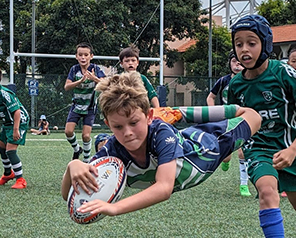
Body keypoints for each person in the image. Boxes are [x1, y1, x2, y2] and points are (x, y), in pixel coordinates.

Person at [62, 72, 261, 227]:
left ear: (149, 116)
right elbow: (70, 197)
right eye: (118, 127)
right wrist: (73, 166)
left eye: (134, 122)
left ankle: (176, 112)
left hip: (208, 147)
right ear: (108, 123)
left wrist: (114, 208)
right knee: (105, 144)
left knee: (253, 116)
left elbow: (164, 188)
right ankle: (172, 113)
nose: (128, 132)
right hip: (176, 136)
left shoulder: (161, 132)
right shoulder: (112, 151)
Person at [226, 14, 296, 238]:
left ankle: (293, 180)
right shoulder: (235, 86)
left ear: (265, 44)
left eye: (251, 43)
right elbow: (235, 122)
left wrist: (293, 150)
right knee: (267, 191)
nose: (244, 49)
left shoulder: (284, 73)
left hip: (291, 148)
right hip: (260, 149)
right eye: (239, 44)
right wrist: (228, 147)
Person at [207, 51, 252, 196]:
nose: (237, 65)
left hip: (244, 119)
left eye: (240, 62)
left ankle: (244, 184)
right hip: (226, 120)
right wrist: (213, 113)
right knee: (226, 155)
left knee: (242, 152)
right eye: (234, 62)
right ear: (229, 63)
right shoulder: (223, 81)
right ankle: (226, 160)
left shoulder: (250, 81)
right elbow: (210, 97)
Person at [0, 66, 28, 189]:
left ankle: (20, 179)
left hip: (19, 121)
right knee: (1, 148)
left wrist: (16, 130)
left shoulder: (4, 93)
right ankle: (8, 174)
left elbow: (17, 111)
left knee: (10, 150)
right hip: (7, 122)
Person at [64, 43, 106, 163]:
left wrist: (94, 78)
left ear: (91, 56)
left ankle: (87, 161)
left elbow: (106, 84)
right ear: (76, 56)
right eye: (80, 55)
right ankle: (77, 149)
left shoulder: (96, 69)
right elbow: (67, 87)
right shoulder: (74, 69)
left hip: (90, 107)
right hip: (76, 106)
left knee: (86, 136)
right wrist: (80, 81)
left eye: (86, 55)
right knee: (68, 131)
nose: (83, 57)